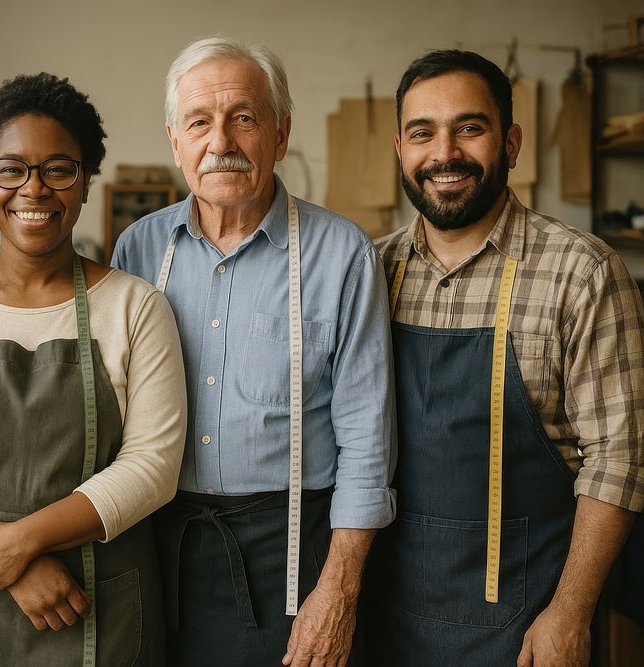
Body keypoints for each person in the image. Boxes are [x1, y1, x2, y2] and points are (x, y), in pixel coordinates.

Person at [0, 72, 186, 665]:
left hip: (95, 603)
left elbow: (153, 465)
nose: (34, 189)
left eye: (58, 169)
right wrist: (9, 565)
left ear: (86, 181)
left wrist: (18, 543)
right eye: (12, 169)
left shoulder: (136, 306)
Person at [113, 36, 396, 666]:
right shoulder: (136, 250)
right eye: (199, 122)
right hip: (158, 544)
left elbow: (368, 441)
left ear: (280, 133)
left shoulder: (341, 254)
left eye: (243, 117)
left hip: (295, 551)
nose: (222, 142)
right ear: (174, 140)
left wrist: (340, 590)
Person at [365, 49, 643, 666]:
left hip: (526, 624)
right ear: (400, 150)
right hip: (386, 617)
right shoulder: (368, 271)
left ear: (511, 143)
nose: (444, 154)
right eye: (422, 133)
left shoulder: (583, 272)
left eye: (470, 127)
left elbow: (619, 460)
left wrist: (569, 613)